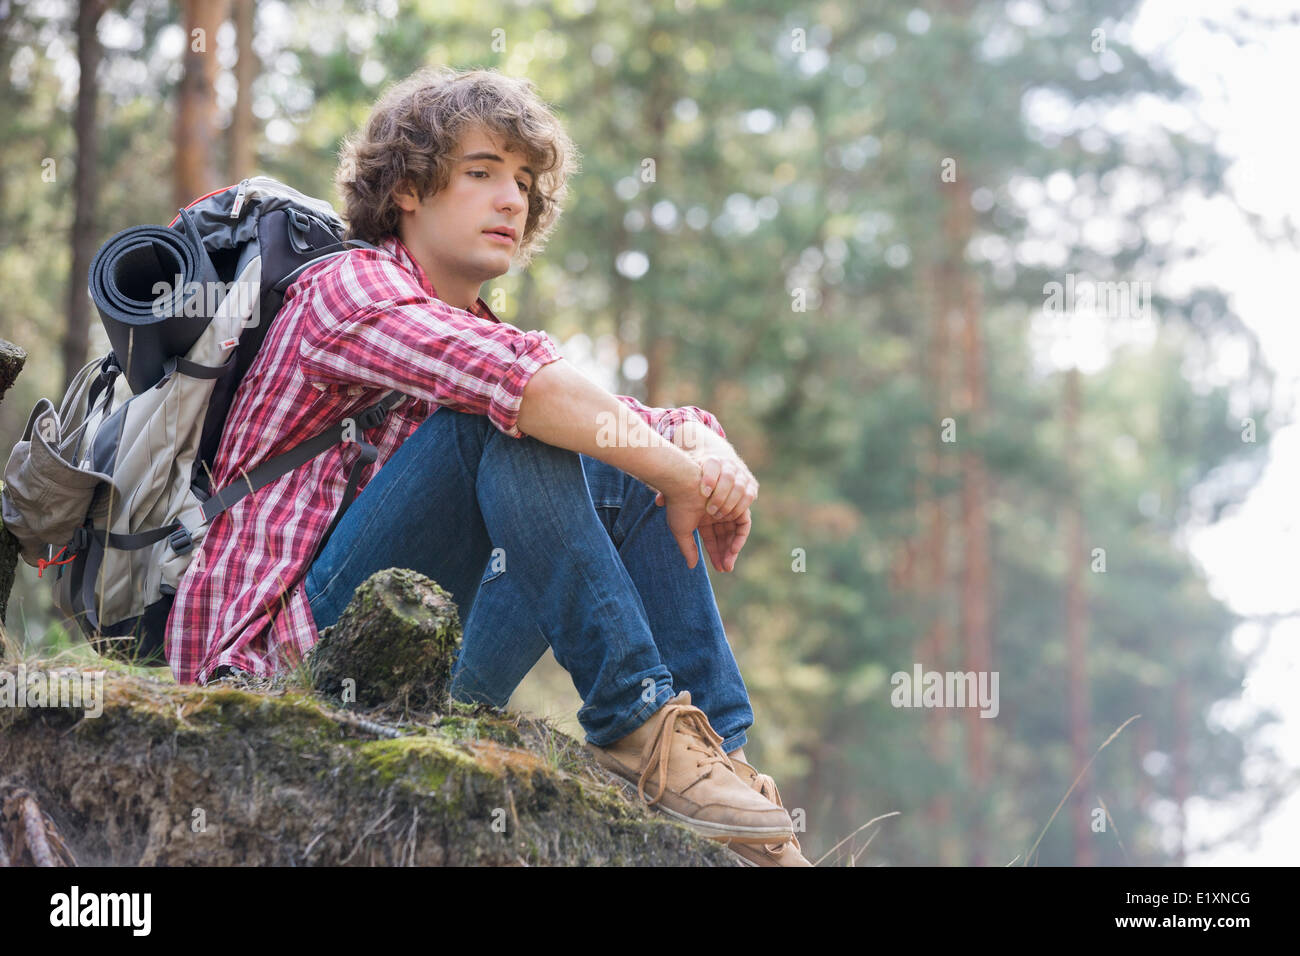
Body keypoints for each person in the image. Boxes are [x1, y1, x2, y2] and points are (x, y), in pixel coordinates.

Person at [166, 65, 808, 866]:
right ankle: (635, 724)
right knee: (506, 423)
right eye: (482, 173)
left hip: (417, 658)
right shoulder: (346, 290)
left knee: (606, 453)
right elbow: (522, 391)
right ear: (405, 188)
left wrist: (698, 445)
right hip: (268, 670)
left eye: (526, 181)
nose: (514, 200)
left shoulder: (475, 328)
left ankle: (725, 773)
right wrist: (676, 466)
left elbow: (615, 420)